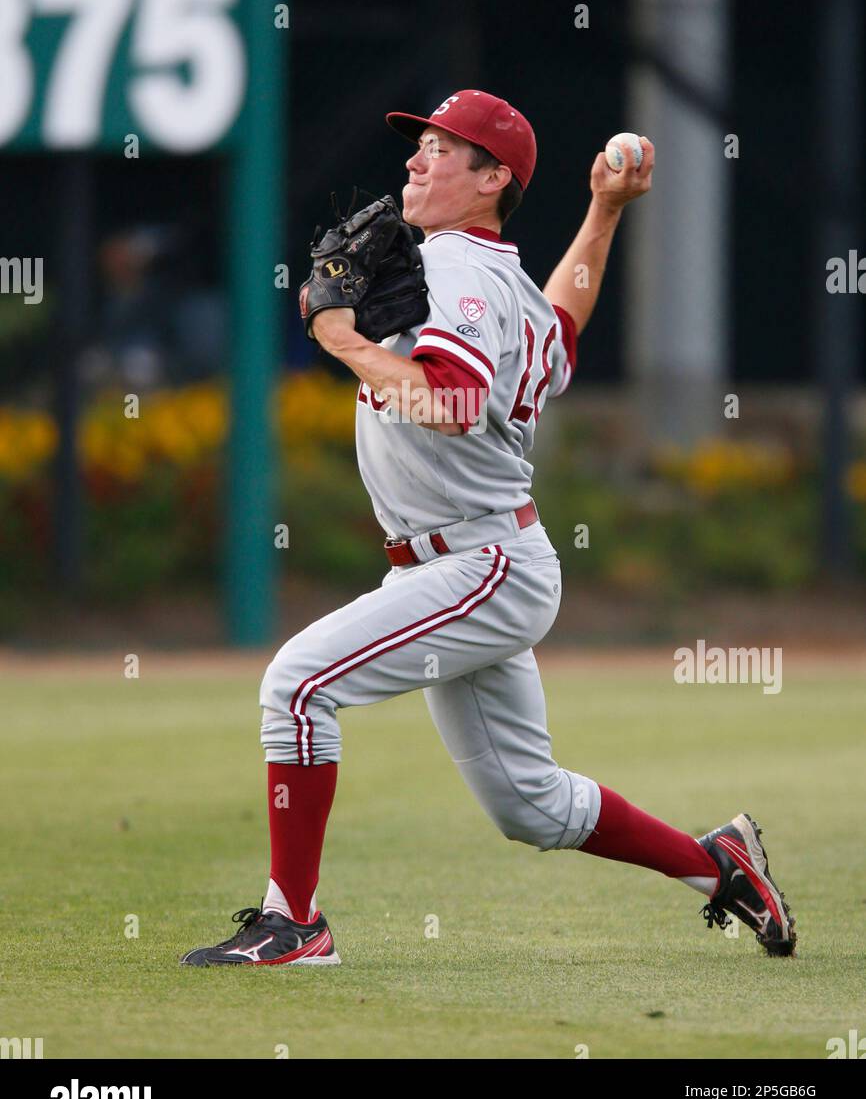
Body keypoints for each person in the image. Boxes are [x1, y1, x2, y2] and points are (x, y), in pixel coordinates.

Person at [181, 90, 795, 968]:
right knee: (530, 805)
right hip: (474, 558)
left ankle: (295, 924)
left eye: (439, 149)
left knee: (298, 687)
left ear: (492, 176)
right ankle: (719, 868)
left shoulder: (461, 271)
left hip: (479, 560)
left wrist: (341, 337)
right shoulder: (489, 274)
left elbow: (449, 404)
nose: (414, 163)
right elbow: (566, 330)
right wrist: (605, 210)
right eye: (417, 148)